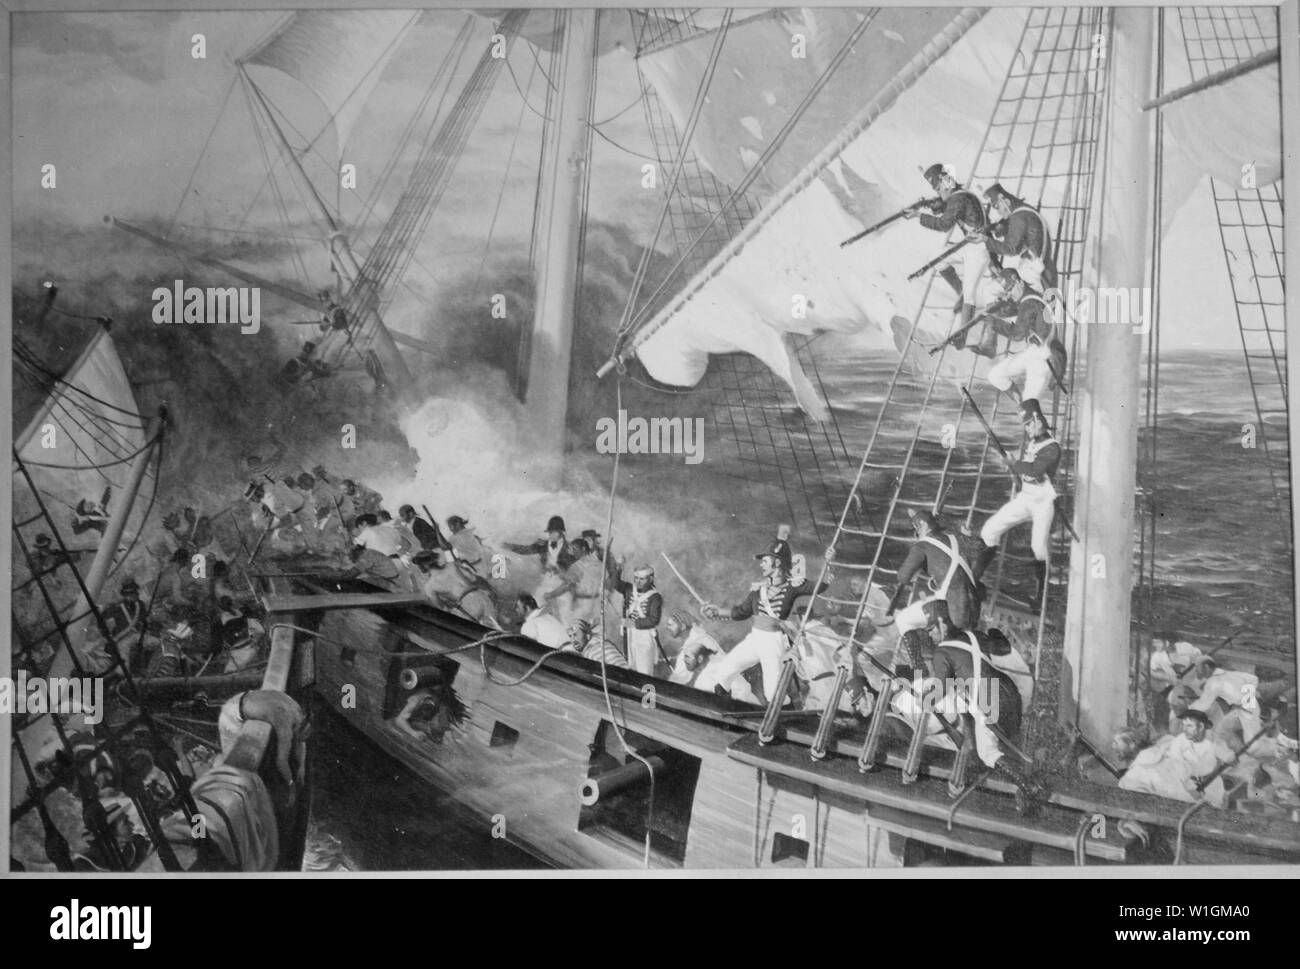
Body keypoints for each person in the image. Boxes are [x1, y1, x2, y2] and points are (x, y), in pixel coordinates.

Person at [700, 541, 815, 705]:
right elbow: (741, 612)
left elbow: (821, 586)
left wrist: (829, 564)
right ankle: (722, 710)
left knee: (773, 695)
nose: (761, 564)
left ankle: (786, 721)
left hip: (773, 642)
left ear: (777, 562)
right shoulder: (758, 590)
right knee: (723, 673)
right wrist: (717, 611)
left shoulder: (792, 587)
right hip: (755, 639)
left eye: (765, 561)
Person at [973, 398, 1062, 604]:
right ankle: (974, 577)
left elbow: (1035, 470)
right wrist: (1011, 466)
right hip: (1026, 498)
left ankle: (1040, 597)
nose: (1028, 429)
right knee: (989, 529)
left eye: (1030, 424)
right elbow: (1025, 472)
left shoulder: (1052, 448)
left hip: (1042, 504)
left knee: (1038, 547)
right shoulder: (1033, 443)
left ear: (1039, 420)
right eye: (1026, 426)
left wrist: (1015, 463)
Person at [904, 163, 991, 337]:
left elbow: (943, 224)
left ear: (947, 182)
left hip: (979, 249)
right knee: (935, 258)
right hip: (968, 247)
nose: (939, 192)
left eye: (939, 188)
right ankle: (959, 291)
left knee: (970, 296)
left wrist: (919, 215)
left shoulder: (958, 199)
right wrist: (931, 206)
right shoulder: (960, 196)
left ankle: (962, 336)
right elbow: (947, 208)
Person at [885, 508, 979, 634]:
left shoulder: (921, 546)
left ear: (923, 526)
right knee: (925, 596)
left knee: (903, 619)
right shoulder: (958, 538)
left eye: (916, 528)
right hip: (974, 609)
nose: (916, 533)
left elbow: (903, 577)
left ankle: (918, 653)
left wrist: (917, 559)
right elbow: (978, 548)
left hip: (952, 611)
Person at [983, 269, 1067, 400]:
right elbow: (1015, 310)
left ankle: (1027, 411)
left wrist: (993, 323)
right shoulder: (1031, 297)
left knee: (1030, 404)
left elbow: (1017, 334)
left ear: (1019, 282)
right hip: (1034, 353)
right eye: (1007, 292)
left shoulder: (1029, 303)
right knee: (995, 375)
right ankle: (1021, 405)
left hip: (1043, 359)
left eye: (1010, 289)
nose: (1009, 294)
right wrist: (996, 308)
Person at [1119, 709, 1228, 807]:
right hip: (1183, 778)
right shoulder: (1181, 740)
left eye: (1189, 726)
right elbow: (1175, 761)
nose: (1184, 729)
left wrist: (1229, 758)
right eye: (1184, 725)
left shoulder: (1213, 741)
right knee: (1145, 775)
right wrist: (1188, 788)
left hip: (1208, 784)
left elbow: (1225, 756)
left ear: (1201, 727)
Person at [665, 612, 760, 703]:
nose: (667, 627)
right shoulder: (698, 640)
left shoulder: (696, 643)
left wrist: (668, 688)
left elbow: (680, 677)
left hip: (734, 691)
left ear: (682, 626)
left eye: (670, 625)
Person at [983, 183, 1059, 291]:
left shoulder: (1018, 217)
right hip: (1043, 270)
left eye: (997, 207)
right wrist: (1000, 229)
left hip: (1033, 273)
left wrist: (985, 240)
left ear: (1005, 201)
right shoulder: (1025, 211)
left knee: (990, 292)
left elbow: (1011, 249)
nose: (999, 212)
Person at [415, 550, 500, 629]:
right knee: (496, 627)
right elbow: (474, 579)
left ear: (424, 566)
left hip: (467, 605)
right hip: (481, 596)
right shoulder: (452, 566)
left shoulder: (429, 586)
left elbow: (443, 609)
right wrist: (490, 591)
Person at [608, 559, 664, 675]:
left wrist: (634, 623)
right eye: (636, 578)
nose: (638, 582)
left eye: (642, 579)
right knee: (631, 666)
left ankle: (646, 692)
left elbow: (654, 620)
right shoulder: (629, 589)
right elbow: (614, 583)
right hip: (629, 634)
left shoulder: (655, 597)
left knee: (644, 670)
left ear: (650, 579)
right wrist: (618, 567)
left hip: (644, 636)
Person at [505, 515, 577, 573]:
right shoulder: (542, 545)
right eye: (550, 532)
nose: (550, 535)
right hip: (544, 580)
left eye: (553, 532)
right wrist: (506, 546)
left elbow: (571, 566)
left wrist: (557, 569)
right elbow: (524, 550)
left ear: (561, 532)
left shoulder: (571, 548)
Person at [563, 618, 630, 670]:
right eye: (570, 636)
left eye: (575, 635)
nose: (573, 640)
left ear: (587, 635)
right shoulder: (591, 649)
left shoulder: (597, 649)